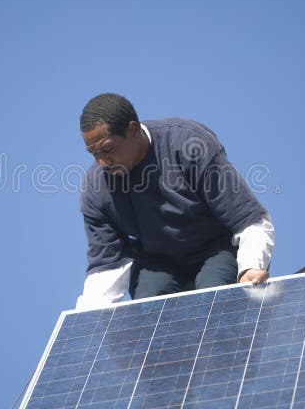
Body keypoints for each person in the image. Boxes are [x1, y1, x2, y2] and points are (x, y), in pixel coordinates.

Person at [75, 93, 275, 310]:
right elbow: (107, 265)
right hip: (157, 262)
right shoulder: (97, 189)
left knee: (216, 304)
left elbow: (248, 219)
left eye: (108, 149)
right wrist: (88, 322)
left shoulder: (190, 145)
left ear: (132, 130)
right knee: (151, 312)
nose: (102, 162)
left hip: (217, 249)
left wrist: (251, 267)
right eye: (93, 154)